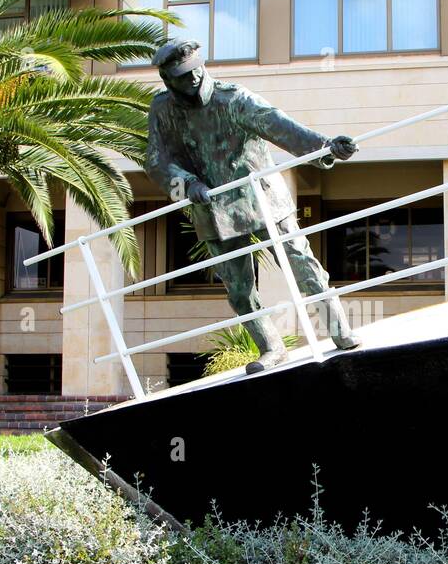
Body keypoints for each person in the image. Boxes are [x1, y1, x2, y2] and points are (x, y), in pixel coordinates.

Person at [145, 38, 360, 373]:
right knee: (240, 290)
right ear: (168, 80)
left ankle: (339, 331)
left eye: (196, 69)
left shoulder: (233, 98)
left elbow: (278, 125)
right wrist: (188, 185)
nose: (194, 78)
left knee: (303, 266)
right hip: (212, 209)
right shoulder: (162, 109)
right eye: (183, 75)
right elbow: (156, 162)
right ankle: (270, 348)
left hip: (262, 198)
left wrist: (326, 148)